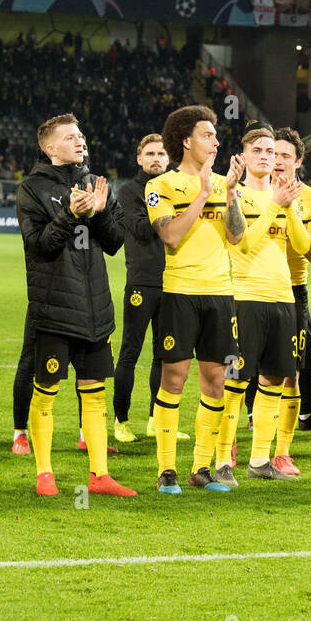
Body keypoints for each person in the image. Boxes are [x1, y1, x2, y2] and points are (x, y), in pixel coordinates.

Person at [16, 112, 134, 497]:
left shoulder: (97, 183)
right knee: (46, 387)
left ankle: (99, 476)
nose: (80, 141)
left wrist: (98, 213)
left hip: (95, 308)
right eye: (69, 137)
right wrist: (71, 213)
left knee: (95, 390)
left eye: (80, 135)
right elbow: (42, 246)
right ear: (49, 148)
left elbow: (116, 242)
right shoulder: (31, 189)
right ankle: (44, 474)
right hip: (53, 307)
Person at [146, 105, 246, 494]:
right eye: (208, 135)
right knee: (175, 378)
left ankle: (201, 468)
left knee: (216, 381)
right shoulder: (161, 186)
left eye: (216, 135)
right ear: (186, 142)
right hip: (180, 293)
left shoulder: (223, 183)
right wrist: (203, 194)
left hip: (220, 293)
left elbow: (236, 236)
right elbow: (170, 236)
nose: (216, 141)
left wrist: (231, 192)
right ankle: (166, 469)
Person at [216, 124, 311, 483]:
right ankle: (223, 459)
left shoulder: (284, 196)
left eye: (272, 152)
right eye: (258, 150)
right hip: (245, 297)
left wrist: (290, 209)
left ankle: (259, 461)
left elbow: (302, 247)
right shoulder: (234, 196)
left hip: (283, 297)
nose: (267, 157)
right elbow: (241, 243)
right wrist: (276, 206)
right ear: (243, 156)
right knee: (236, 380)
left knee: (274, 379)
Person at [272, 127, 311, 433]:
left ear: (298, 161)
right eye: (274, 154)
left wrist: (293, 214)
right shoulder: (249, 194)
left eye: (286, 155)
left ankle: (305, 414)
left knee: (302, 354)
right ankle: (254, 414)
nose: (278, 160)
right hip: (252, 287)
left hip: (294, 287)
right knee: (250, 356)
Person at [111, 134, 168, 444]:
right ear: (139, 158)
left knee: (164, 354)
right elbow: (142, 229)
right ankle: (121, 420)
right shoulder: (130, 191)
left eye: (161, 153)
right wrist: (176, 217)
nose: (156, 158)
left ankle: (154, 420)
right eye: (150, 153)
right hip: (142, 281)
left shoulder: (174, 187)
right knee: (130, 352)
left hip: (173, 281)